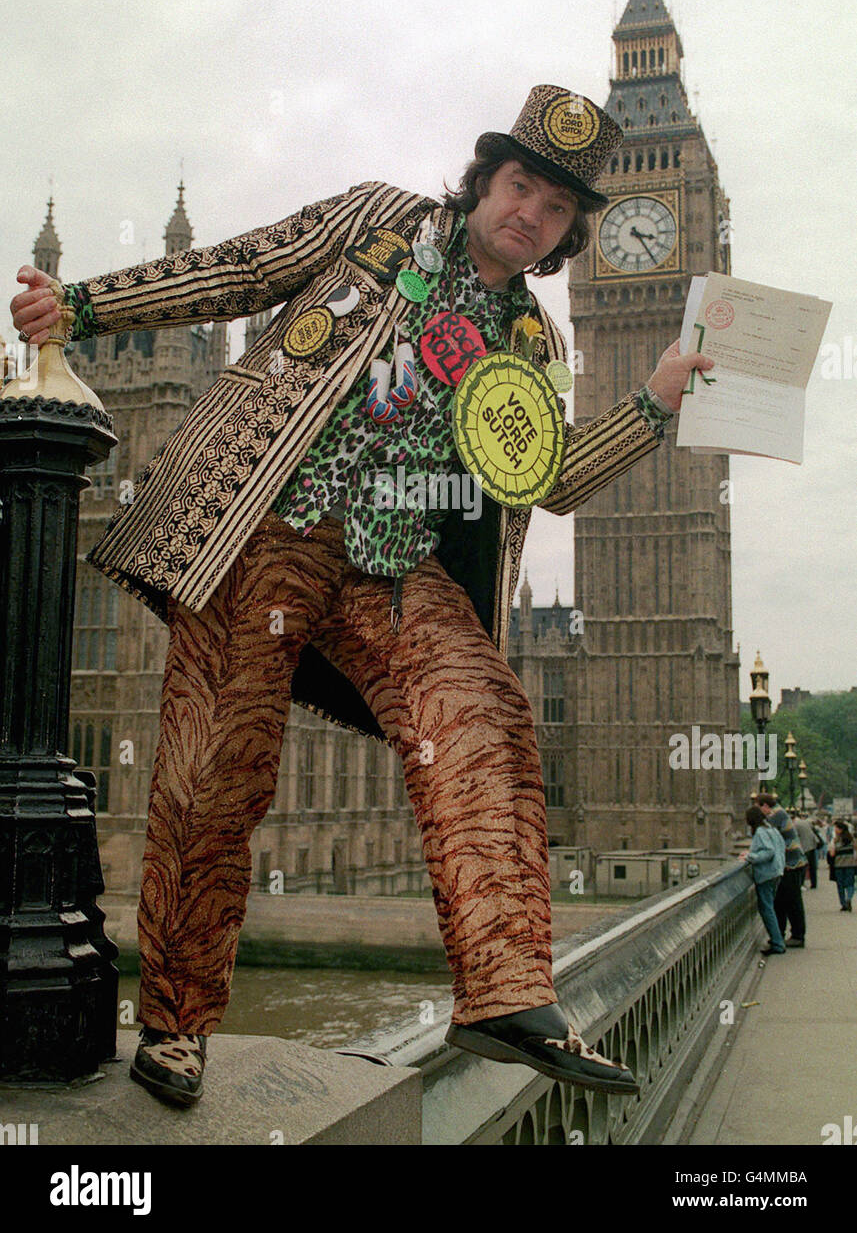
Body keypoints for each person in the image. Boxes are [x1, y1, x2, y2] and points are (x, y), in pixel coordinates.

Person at [11, 85, 713, 1107]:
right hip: (266, 525)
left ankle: (505, 990)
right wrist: (81, 305)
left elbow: (545, 477)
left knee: (486, 717)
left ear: (566, 234)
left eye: (556, 209)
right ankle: (173, 1020)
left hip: (396, 568)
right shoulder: (373, 222)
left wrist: (649, 403)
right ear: (485, 181)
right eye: (520, 186)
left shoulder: (529, 342)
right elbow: (239, 268)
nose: (531, 214)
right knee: (215, 768)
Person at [755, 793, 808, 948]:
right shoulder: (778, 812)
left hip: (791, 864)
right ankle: (781, 934)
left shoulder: (775, 815)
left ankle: (797, 936)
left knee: (792, 901)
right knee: (782, 901)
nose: (758, 811)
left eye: (758, 807)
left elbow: (764, 835)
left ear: (765, 806)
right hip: (790, 863)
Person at [741, 805, 786, 955]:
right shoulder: (772, 829)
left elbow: (769, 851)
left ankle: (777, 943)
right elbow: (779, 849)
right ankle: (777, 939)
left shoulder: (760, 831)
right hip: (776, 872)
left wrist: (750, 856)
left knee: (767, 909)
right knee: (770, 908)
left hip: (766, 875)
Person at [831, 820, 856, 911]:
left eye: (836, 828)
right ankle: (848, 898)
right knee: (850, 884)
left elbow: (832, 854)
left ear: (840, 829)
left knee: (840, 885)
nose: (835, 830)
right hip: (850, 864)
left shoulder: (836, 840)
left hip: (839, 865)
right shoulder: (851, 838)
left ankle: (843, 904)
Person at [794, 812, 819, 889]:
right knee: (812, 866)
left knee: (803, 866)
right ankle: (814, 884)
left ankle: (801, 883)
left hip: (804, 847)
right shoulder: (806, 822)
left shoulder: (795, 824)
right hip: (812, 844)